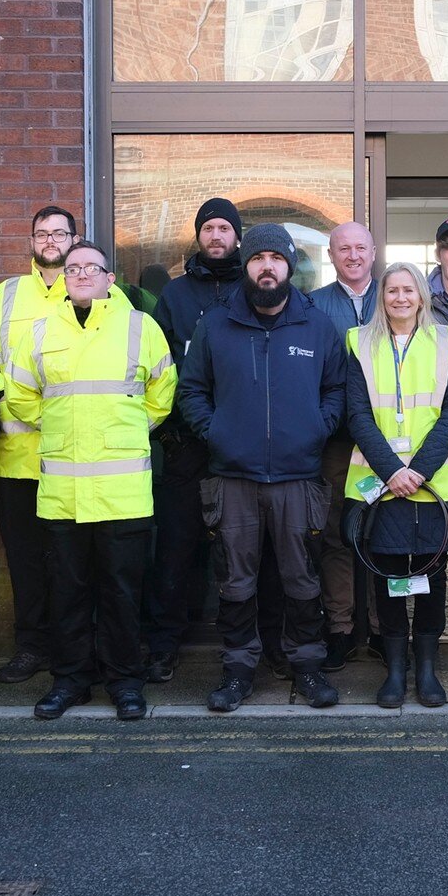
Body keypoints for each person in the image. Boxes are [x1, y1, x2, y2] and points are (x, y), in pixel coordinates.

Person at [178, 223, 350, 712]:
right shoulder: (214, 325)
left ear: (289, 266)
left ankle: (308, 667)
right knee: (235, 582)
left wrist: (319, 426)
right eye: (258, 258)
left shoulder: (316, 326)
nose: (267, 267)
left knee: (301, 580)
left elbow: (336, 389)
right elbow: (192, 390)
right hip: (233, 477)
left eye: (277, 258)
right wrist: (217, 433)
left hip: (298, 478)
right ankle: (237, 670)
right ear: (245, 264)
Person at [7, 241, 177, 722]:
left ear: (110, 278)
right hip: (62, 492)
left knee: (123, 593)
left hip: (122, 493)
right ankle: (71, 680)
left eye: (92, 268)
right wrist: (64, 424)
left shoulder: (141, 328)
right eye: (73, 267)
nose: (81, 274)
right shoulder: (39, 331)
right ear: (63, 277)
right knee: (67, 592)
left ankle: (125, 681)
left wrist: (117, 429)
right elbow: (20, 396)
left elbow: (162, 395)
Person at [343, 263, 448, 708]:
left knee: (433, 577)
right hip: (381, 485)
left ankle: (427, 671)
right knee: (390, 579)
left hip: (434, 484)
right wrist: (392, 471)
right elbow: (357, 414)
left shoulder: (447, 341)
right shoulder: (358, 343)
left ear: (422, 297)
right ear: (382, 297)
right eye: (392, 290)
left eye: (408, 290)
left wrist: (418, 469)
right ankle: (396, 671)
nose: (400, 297)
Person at [143, 197, 247, 681]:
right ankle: (165, 643)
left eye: (225, 227)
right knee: (176, 551)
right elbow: (157, 372)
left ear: (237, 237)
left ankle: (243, 644)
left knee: (241, 550)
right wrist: (170, 434)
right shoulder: (176, 296)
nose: (217, 236)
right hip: (186, 447)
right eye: (209, 228)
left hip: (244, 449)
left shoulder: (256, 289)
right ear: (199, 237)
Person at [0, 206, 81, 685]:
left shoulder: (95, 285)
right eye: (42, 232)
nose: (50, 239)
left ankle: (74, 649)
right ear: (32, 241)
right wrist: (13, 403)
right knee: (24, 562)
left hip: (78, 461)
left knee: (75, 564)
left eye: (60, 232)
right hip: (18, 460)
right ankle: (30, 647)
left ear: (75, 237)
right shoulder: (4, 296)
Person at [309, 221, 380, 670]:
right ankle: (339, 628)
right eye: (343, 249)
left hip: (390, 445)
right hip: (335, 443)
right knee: (336, 535)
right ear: (331, 257)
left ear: (374, 252)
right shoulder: (313, 306)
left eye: (360, 247)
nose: (352, 256)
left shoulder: (397, 294)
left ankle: (380, 627)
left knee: (383, 535)